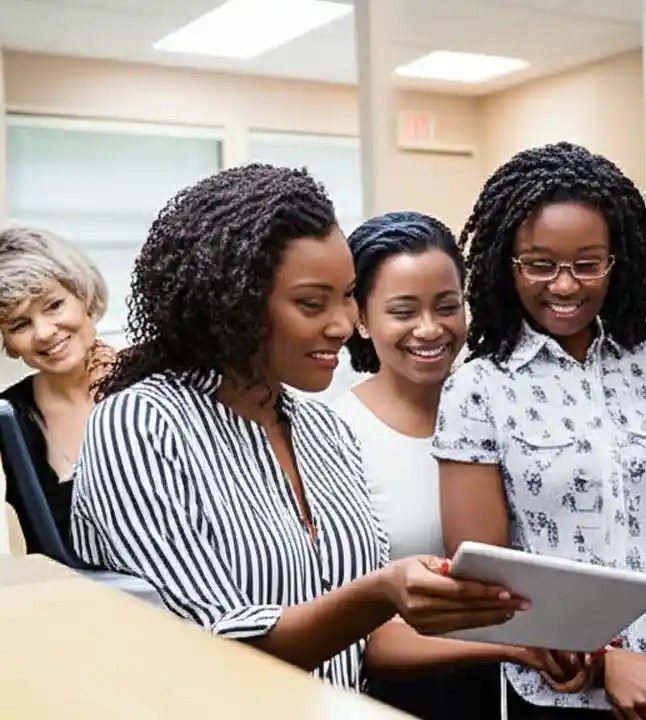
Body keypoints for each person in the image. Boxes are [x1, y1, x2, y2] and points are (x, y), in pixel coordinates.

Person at [70, 164, 527, 693]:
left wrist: (521, 640)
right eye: (312, 303)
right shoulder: (143, 424)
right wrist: (380, 591)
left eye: (349, 295)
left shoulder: (322, 430)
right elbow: (211, 648)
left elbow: (360, 644)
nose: (341, 323)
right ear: (234, 302)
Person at [432, 142, 646, 719]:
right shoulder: (477, 390)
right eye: (539, 264)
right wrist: (609, 661)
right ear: (504, 262)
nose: (564, 286)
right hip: (557, 695)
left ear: (620, 260)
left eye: (588, 264)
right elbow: (486, 576)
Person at [333, 210, 568, 718]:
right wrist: (513, 646)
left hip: (537, 688)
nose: (429, 329)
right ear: (360, 317)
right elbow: (353, 625)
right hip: (408, 694)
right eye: (403, 311)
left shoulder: (508, 406)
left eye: (447, 306)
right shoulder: (335, 433)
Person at [0, 226, 114, 557]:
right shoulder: (9, 418)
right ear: (8, 343)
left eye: (54, 306)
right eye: (20, 325)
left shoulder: (158, 383)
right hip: (74, 603)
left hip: (183, 604)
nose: (45, 332)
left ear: (85, 297)